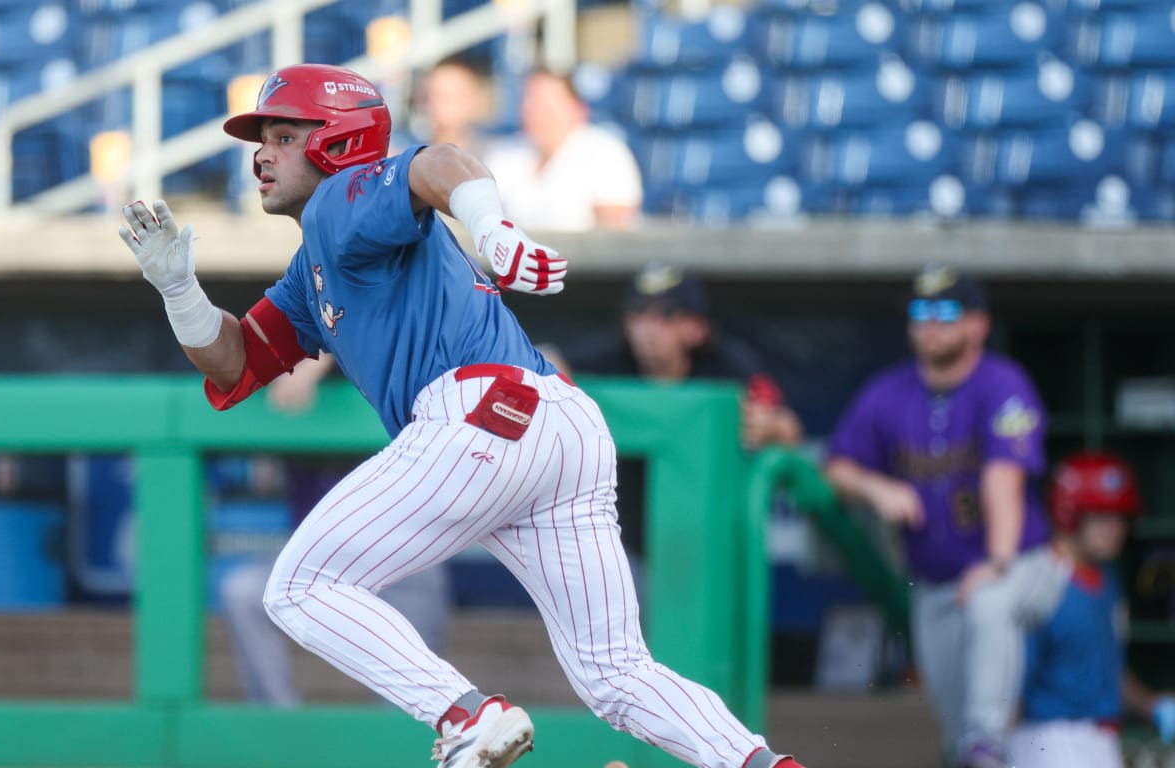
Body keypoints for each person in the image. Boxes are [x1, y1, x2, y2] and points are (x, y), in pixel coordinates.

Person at [119, 62, 803, 768]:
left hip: (479, 412)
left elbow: (440, 162)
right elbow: (235, 361)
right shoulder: (315, 263)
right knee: (615, 673)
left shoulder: (337, 203)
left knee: (299, 587)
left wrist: (494, 231)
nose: (262, 154)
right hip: (559, 425)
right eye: (261, 140)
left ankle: (468, 717)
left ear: (338, 142)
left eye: (284, 136)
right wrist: (179, 290)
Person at [823, 264, 1063, 768]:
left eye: (947, 311)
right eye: (921, 311)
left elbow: (1003, 480)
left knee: (989, 609)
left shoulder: (1002, 383)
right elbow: (836, 466)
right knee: (957, 736)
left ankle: (989, 738)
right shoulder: (889, 391)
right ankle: (979, 746)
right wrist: (876, 486)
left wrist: (996, 562)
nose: (932, 323)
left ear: (978, 324)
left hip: (1019, 563)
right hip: (935, 585)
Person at [219, 355, 452, 707]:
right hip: (316, 565)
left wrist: (320, 361)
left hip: (399, 564)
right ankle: (281, 726)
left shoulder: (388, 371)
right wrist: (287, 367)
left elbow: (398, 350)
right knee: (243, 592)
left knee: (409, 710)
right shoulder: (279, 374)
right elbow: (219, 358)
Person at [1011, 452, 1175, 768]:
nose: (1115, 528)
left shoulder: (1106, 580)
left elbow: (1106, 669)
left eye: (1120, 517)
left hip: (1100, 740)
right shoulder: (1040, 581)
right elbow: (1010, 681)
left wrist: (1151, 705)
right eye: (1100, 516)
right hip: (1049, 739)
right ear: (1068, 513)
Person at [552, 263, 802, 451]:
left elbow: (790, 429)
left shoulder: (727, 363)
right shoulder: (615, 352)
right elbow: (551, 360)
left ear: (697, 328)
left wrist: (769, 427)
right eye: (637, 312)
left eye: (667, 315)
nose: (648, 327)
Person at [481, 67, 643, 231]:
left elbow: (614, 230)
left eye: (548, 104)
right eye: (531, 101)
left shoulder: (607, 154)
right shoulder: (504, 152)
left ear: (578, 108)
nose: (537, 112)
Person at [403, 58, 493, 156]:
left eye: (454, 96)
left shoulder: (497, 157)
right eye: (434, 95)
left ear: (474, 99)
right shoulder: (405, 155)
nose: (441, 104)